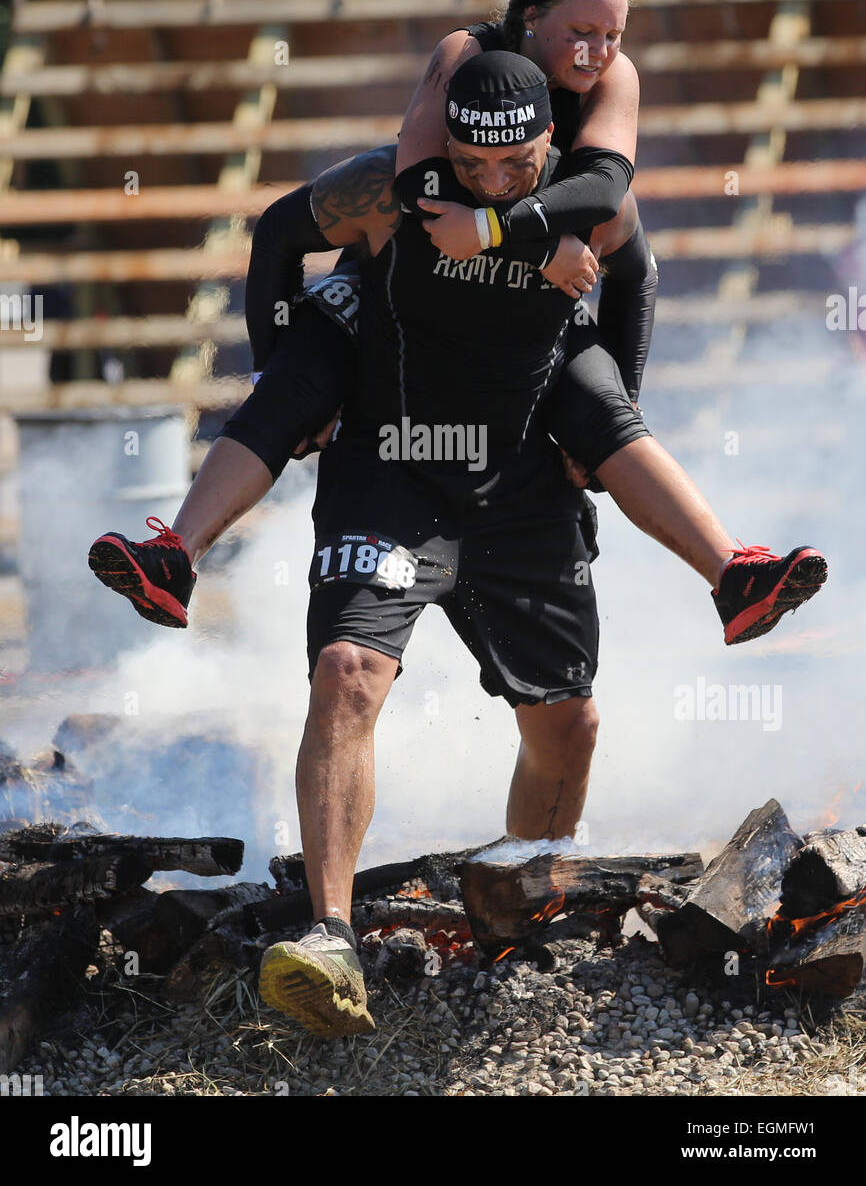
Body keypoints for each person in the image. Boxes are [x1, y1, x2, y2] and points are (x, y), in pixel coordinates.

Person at [251, 53, 823, 1037]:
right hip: (392, 462)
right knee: (346, 668)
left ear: (546, 142)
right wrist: (283, 379)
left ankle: (522, 893)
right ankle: (331, 938)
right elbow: (276, 233)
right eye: (473, 162)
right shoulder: (408, 180)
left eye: (516, 161)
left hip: (518, 475)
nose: (494, 178)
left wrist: (610, 382)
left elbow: (627, 251)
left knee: (567, 725)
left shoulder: (580, 179)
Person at [88, 0, 827, 648]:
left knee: (604, 406)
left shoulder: (612, 78)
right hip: (404, 283)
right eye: (582, 31)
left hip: (521, 301)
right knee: (296, 376)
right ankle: (176, 555)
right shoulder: (462, 55)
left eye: (613, 34)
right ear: (529, 21)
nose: (598, 51)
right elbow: (407, 186)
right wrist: (273, 371)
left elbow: (606, 192)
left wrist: (512, 239)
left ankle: (733, 573)